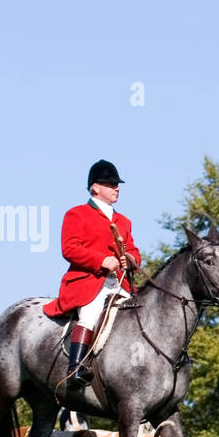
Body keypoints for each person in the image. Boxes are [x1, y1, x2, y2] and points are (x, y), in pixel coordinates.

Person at [42, 160, 141, 387]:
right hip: (88, 282)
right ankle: (75, 368)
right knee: (90, 313)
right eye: (111, 184)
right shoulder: (76, 214)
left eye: (117, 184)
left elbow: (133, 250)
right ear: (96, 187)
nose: (117, 188)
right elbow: (70, 248)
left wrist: (132, 259)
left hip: (119, 284)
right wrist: (101, 260)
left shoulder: (124, 221)